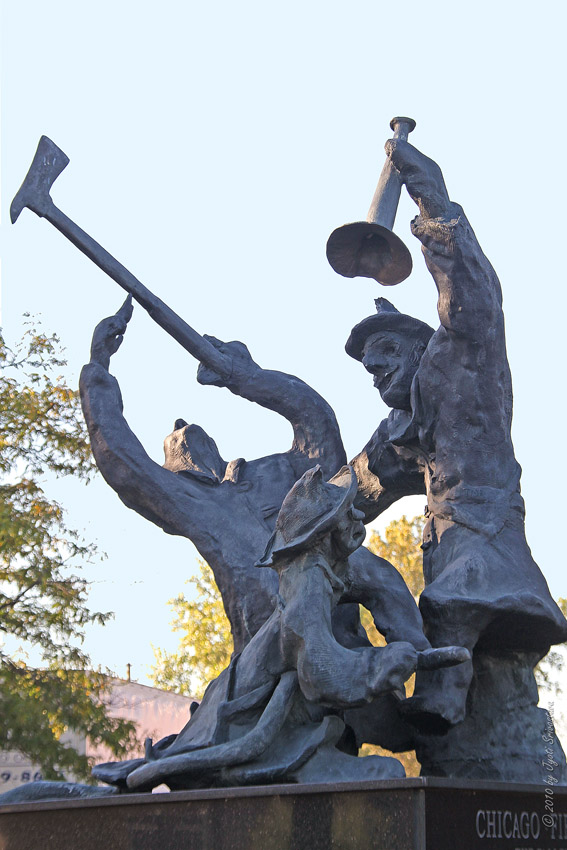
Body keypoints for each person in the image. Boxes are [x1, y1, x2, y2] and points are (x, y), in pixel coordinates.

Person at [80, 297, 435, 750]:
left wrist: (244, 377)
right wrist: (98, 371)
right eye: (176, 440)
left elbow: (314, 417)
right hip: (276, 657)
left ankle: (431, 674)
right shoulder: (200, 507)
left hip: (339, 621)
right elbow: (124, 463)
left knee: (378, 576)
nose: (181, 425)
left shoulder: (286, 475)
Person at [347, 139, 567, 729]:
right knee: (441, 604)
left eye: (385, 355)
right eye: (368, 370)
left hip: (488, 541)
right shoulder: (400, 429)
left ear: (420, 348)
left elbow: (472, 299)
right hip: (449, 554)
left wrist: (433, 202)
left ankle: (443, 697)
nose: (376, 374)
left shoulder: (461, 363)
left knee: (448, 605)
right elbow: (354, 488)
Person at [93, 465, 467, 791]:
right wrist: (382, 663)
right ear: (324, 533)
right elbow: (320, 674)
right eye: (344, 512)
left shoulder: (325, 570)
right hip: (254, 727)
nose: (356, 516)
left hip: (282, 719)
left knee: (387, 772)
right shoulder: (306, 585)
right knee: (387, 773)